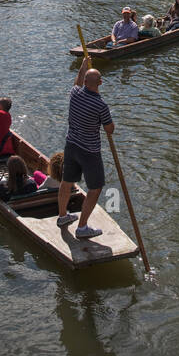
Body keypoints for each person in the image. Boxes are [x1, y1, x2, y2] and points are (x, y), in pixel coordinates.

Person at [56, 56, 115, 239]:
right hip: (89, 151)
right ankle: (82, 227)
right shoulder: (100, 105)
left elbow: (77, 82)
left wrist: (82, 66)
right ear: (100, 83)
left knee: (67, 181)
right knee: (95, 188)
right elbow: (109, 129)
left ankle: (63, 216)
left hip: (71, 145)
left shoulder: (75, 93)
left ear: (84, 82)